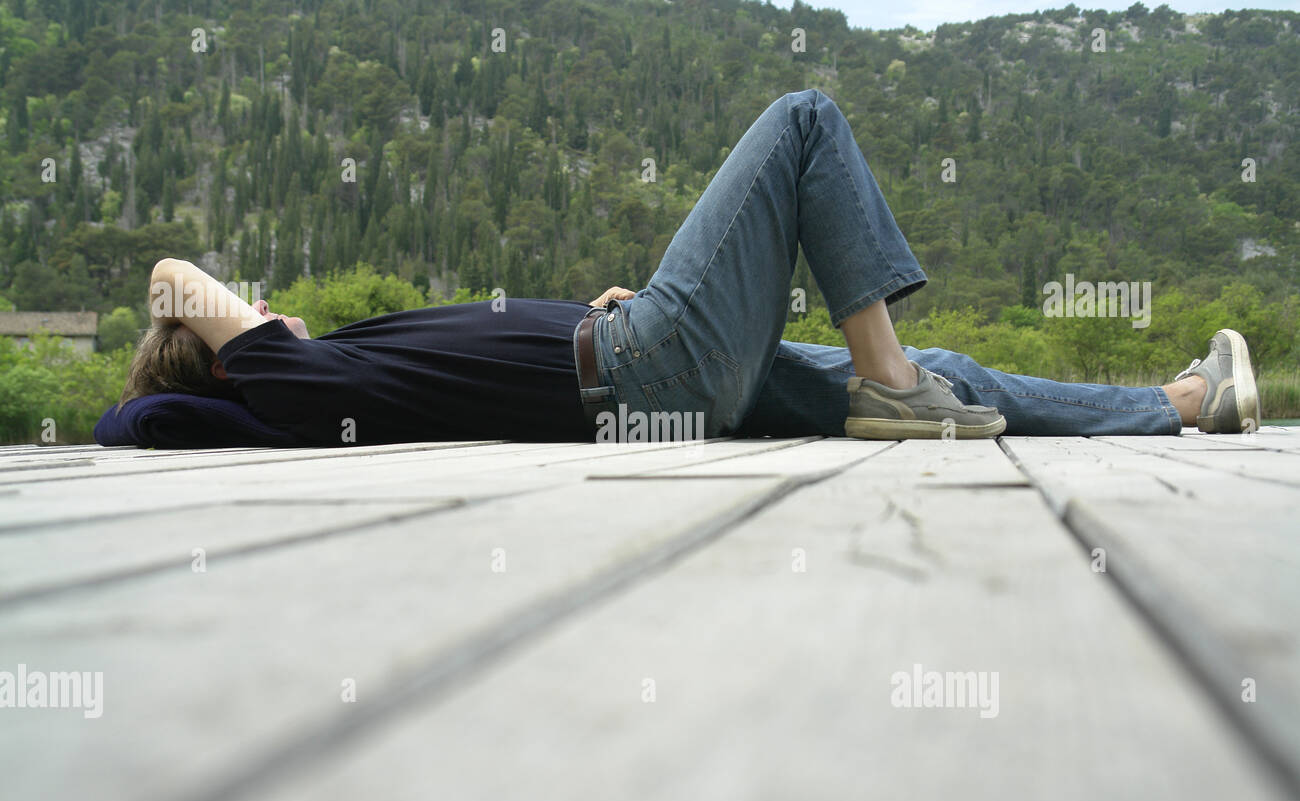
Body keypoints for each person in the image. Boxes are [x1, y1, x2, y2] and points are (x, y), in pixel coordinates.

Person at [122, 90, 1260, 446]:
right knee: (805, 119)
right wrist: (207, 349)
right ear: (222, 356)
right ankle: (887, 385)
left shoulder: (339, 373)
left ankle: (1181, 403)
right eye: (248, 313)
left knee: (952, 363)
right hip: (643, 369)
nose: (261, 305)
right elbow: (174, 277)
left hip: (640, 373)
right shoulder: (294, 381)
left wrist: (589, 308)